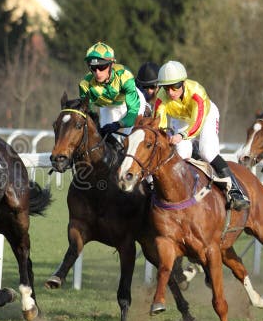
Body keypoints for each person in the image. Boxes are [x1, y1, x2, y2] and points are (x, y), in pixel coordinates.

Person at [153, 60, 250, 210]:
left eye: (175, 86)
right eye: (166, 88)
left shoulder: (197, 92)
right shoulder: (161, 98)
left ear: (183, 83)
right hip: (181, 118)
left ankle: (235, 191)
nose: (171, 92)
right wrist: (165, 136)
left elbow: (197, 124)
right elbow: (159, 123)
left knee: (208, 152)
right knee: (181, 154)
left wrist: (181, 135)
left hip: (205, 115)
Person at [78, 41, 144, 139]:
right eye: (93, 67)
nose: (97, 72)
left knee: (131, 139)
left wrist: (118, 124)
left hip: (131, 104)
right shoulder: (85, 85)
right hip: (108, 107)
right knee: (107, 140)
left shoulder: (124, 76)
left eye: (102, 67)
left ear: (112, 64)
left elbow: (133, 112)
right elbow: (87, 113)